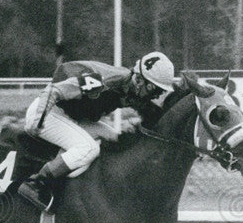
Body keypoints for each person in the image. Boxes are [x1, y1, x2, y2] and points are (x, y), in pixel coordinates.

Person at [21, 51, 176, 206]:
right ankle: (36, 183)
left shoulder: (133, 89)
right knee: (89, 149)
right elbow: (53, 91)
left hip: (72, 118)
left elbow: (153, 114)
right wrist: (39, 118)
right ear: (140, 80)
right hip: (47, 113)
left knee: (116, 139)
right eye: (155, 90)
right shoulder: (102, 81)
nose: (156, 96)